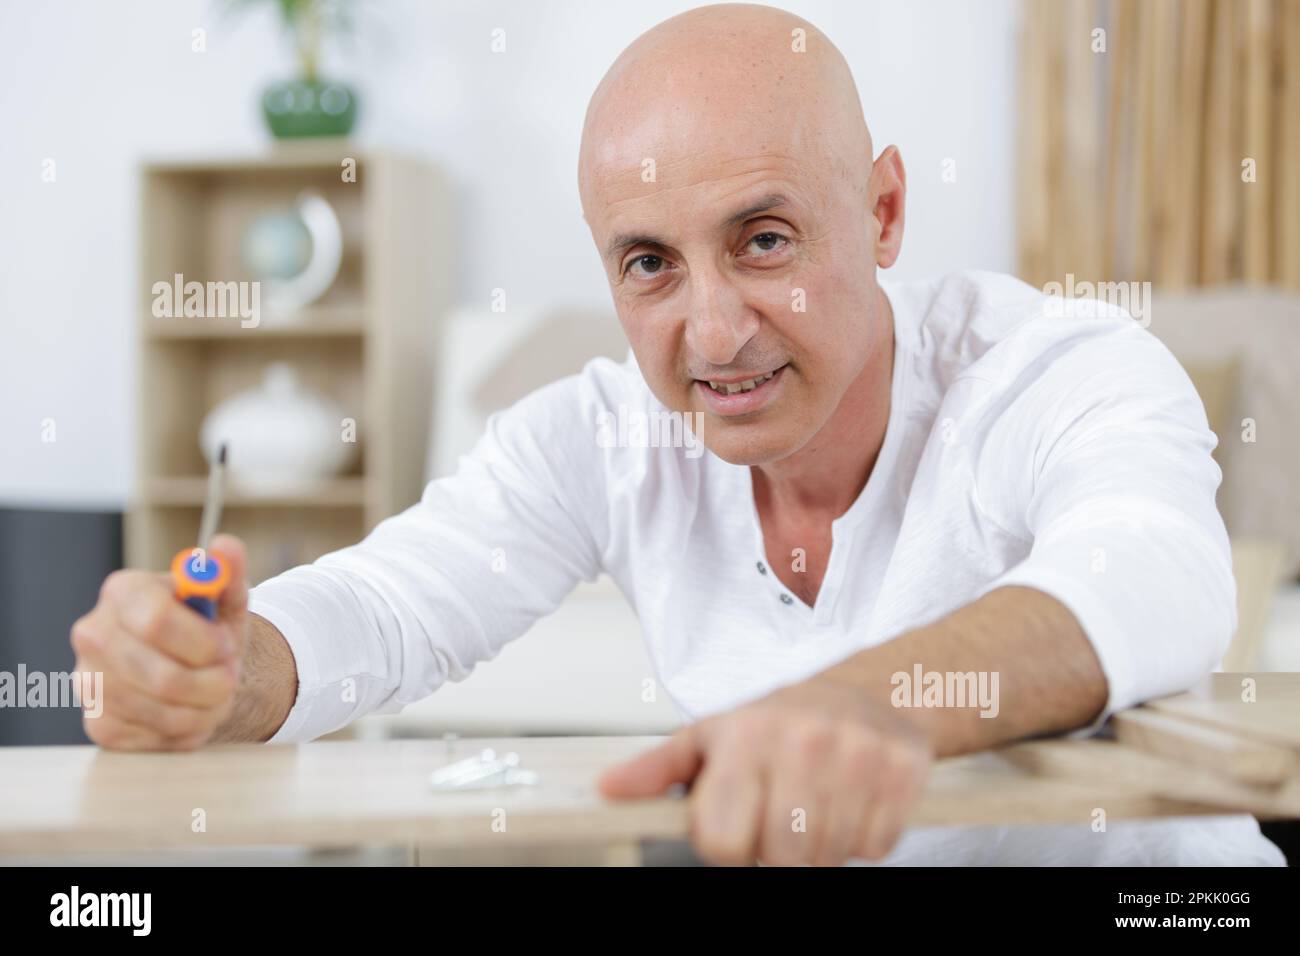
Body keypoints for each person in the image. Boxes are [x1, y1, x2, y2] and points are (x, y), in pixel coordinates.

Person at [71, 3, 1283, 866]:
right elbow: (390, 606)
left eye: (763, 239)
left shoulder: (1052, 367)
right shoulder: (597, 440)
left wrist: (872, 701)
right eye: (649, 263)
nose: (712, 331)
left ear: (883, 212)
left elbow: (1155, 571)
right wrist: (221, 675)